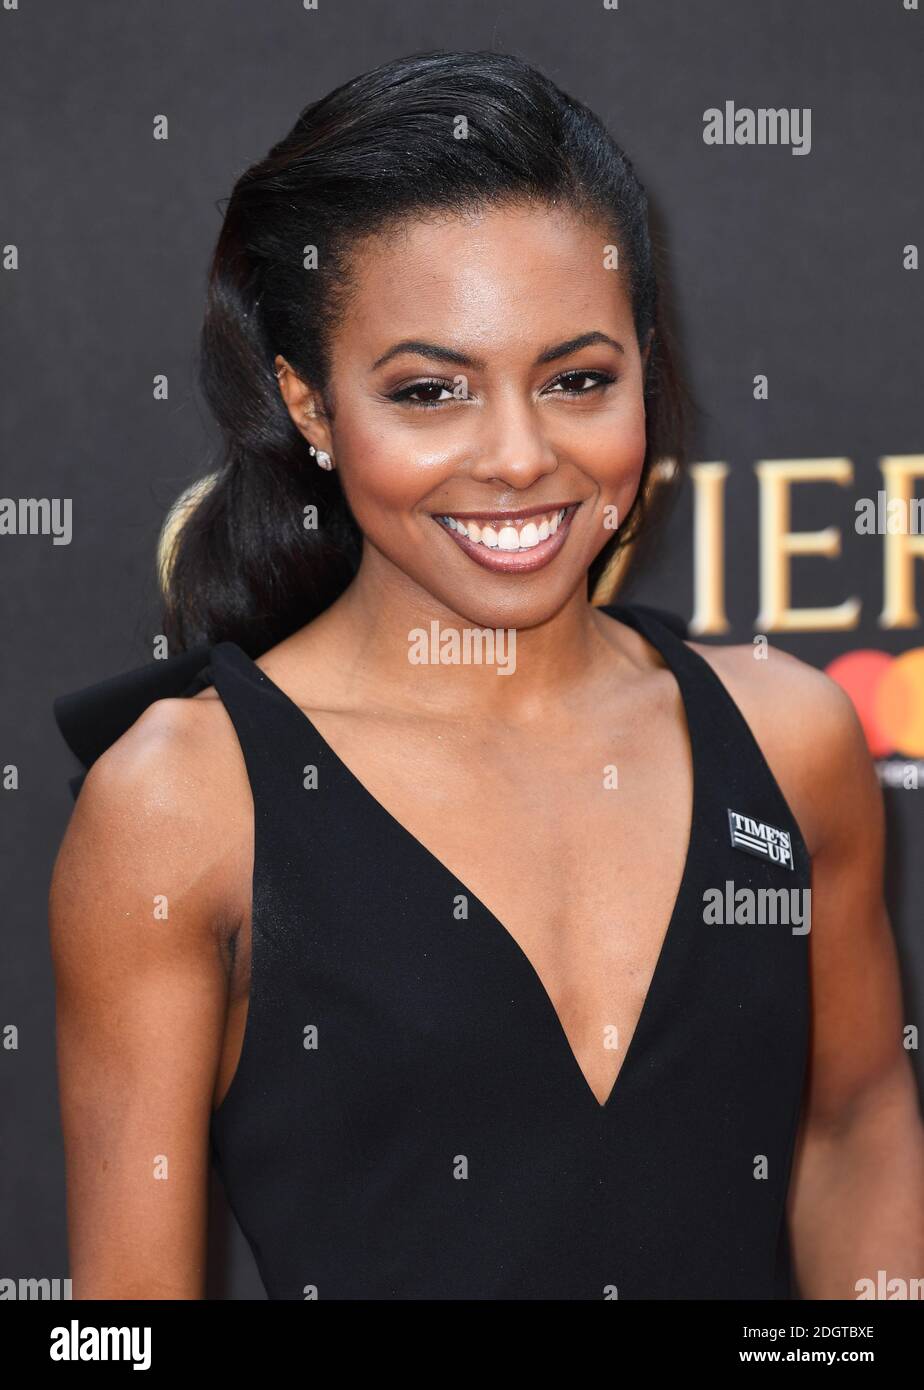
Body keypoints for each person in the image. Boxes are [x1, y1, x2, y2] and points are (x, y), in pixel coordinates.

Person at [49, 49, 924, 1301]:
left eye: (579, 379)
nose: (520, 456)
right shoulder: (184, 802)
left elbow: (855, 1122)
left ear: (645, 367)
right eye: (429, 390)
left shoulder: (789, 736)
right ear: (309, 402)